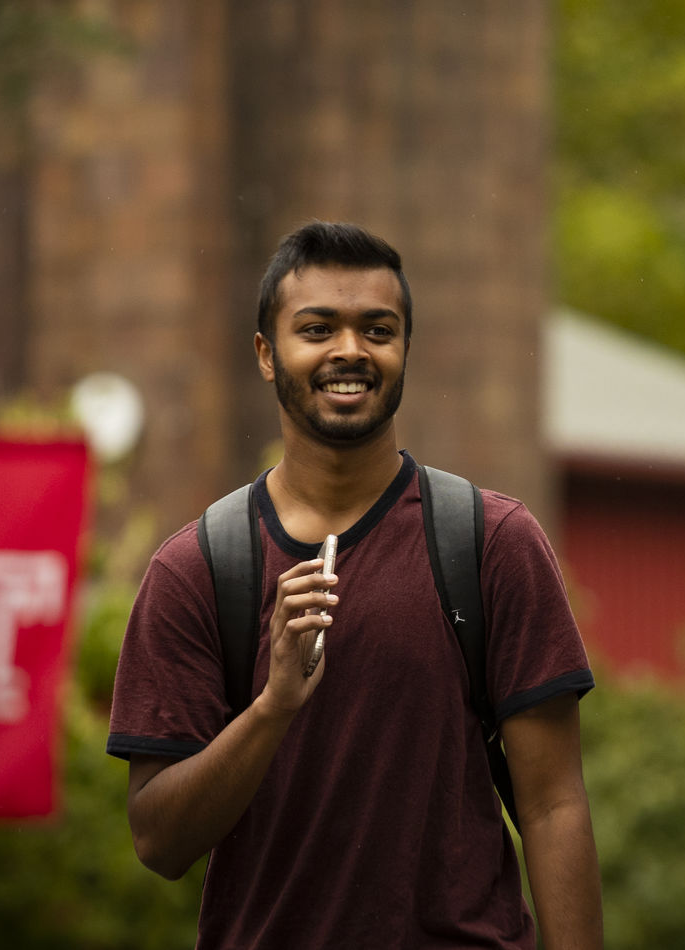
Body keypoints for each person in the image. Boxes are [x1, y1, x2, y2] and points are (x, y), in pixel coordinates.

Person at [107, 221, 603, 948]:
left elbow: (554, 805)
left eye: (378, 329)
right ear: (267, 355)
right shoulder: (199, 570)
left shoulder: (489, 542)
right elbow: (159, 841)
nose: (349, 351)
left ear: (405, 351)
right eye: (317, 329)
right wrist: (273, 706)